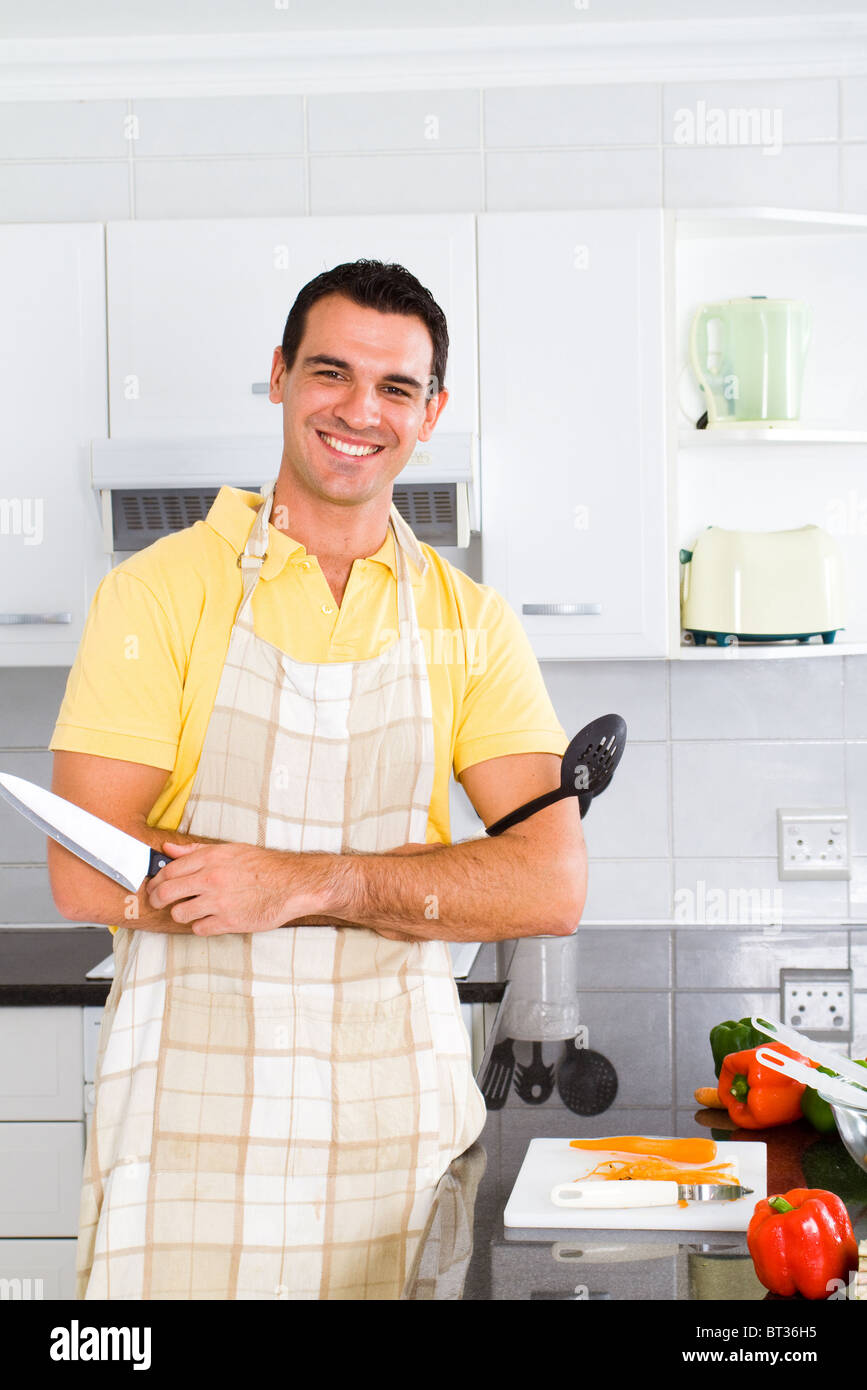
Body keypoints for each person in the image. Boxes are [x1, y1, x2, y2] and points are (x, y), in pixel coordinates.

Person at [48, 258, 586, 1300]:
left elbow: (549, 886)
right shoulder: (157, 595)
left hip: (397, 1144)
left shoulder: (471, 625)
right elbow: (84, 871)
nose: (358, 411)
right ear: (282, 377)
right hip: (188, 1144)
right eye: (331, 372)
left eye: (395, 387)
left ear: (431, 414)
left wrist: (304, 882)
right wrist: (384, 884)